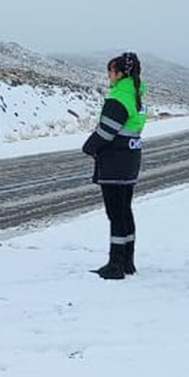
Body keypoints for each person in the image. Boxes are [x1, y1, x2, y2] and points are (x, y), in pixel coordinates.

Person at [82, 52, 147, 279]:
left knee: (116, 213)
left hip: (115, 162)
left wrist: (89, 147)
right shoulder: (137, 95)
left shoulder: (118, 98)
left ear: (119, 73)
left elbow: (106, 131)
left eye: (110, 71)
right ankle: (127, 261)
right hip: (130, 159)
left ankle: (115, 264)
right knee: (125, 211)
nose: (108, 76)